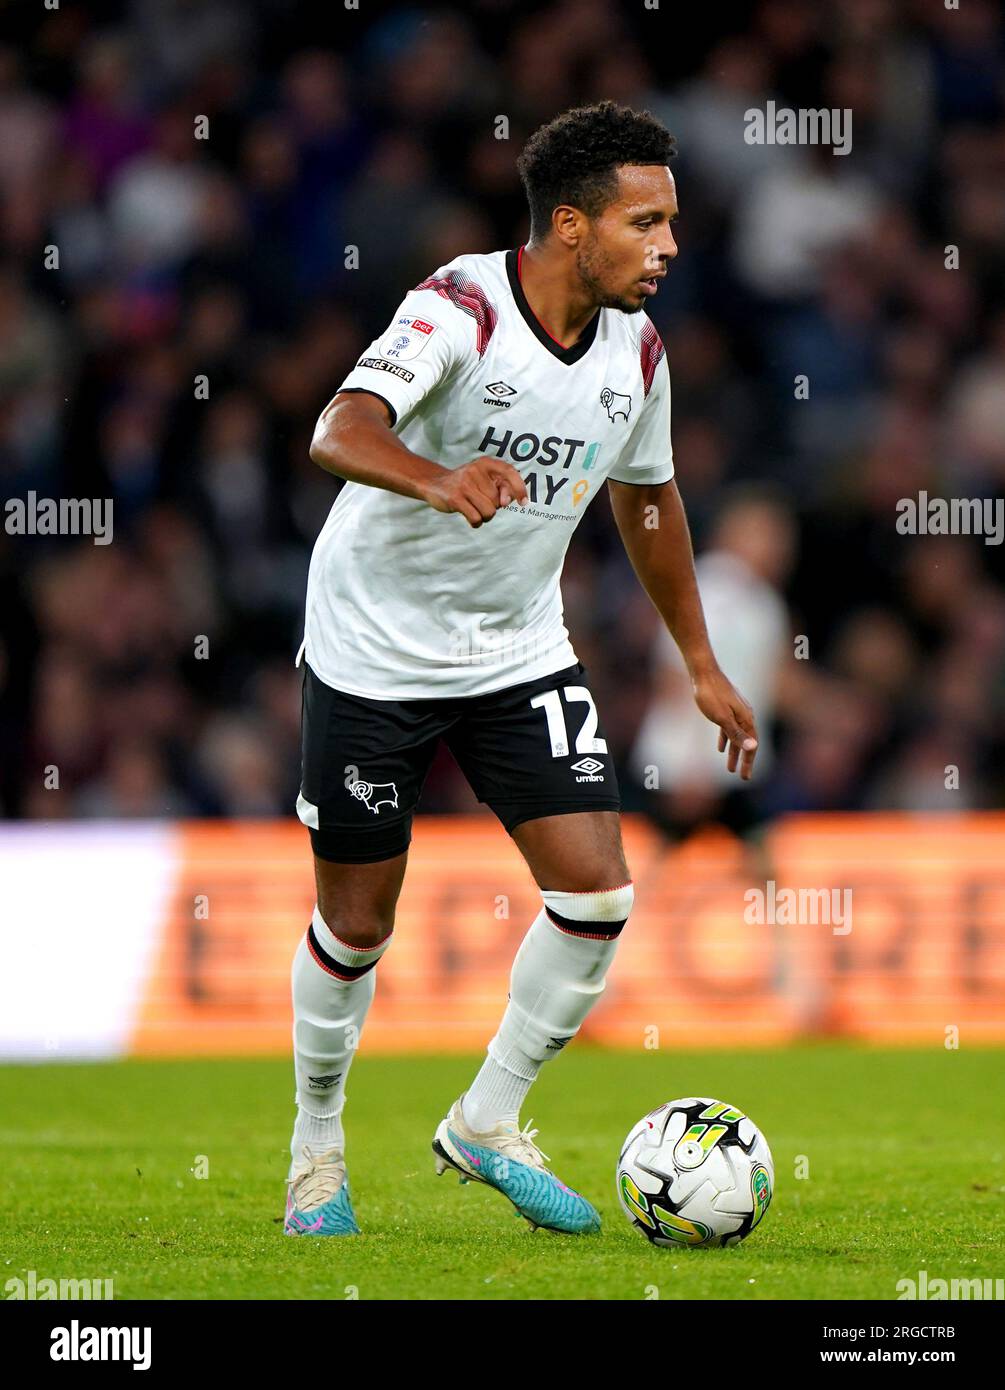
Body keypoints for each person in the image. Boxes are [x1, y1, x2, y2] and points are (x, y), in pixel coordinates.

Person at [284, 101, 758, 1238]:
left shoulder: (638, 352)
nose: (669, 247)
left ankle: (485, 1121)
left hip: (514, 645)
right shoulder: (460, 307)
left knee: (598, 893)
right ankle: (315, 1150)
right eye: (645, 224)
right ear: (570, 225)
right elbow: (336, 431)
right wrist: (439, 478)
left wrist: (700, 659)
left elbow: (648, 498)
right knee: (357, 926)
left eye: (673, 223)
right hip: (374, 646)